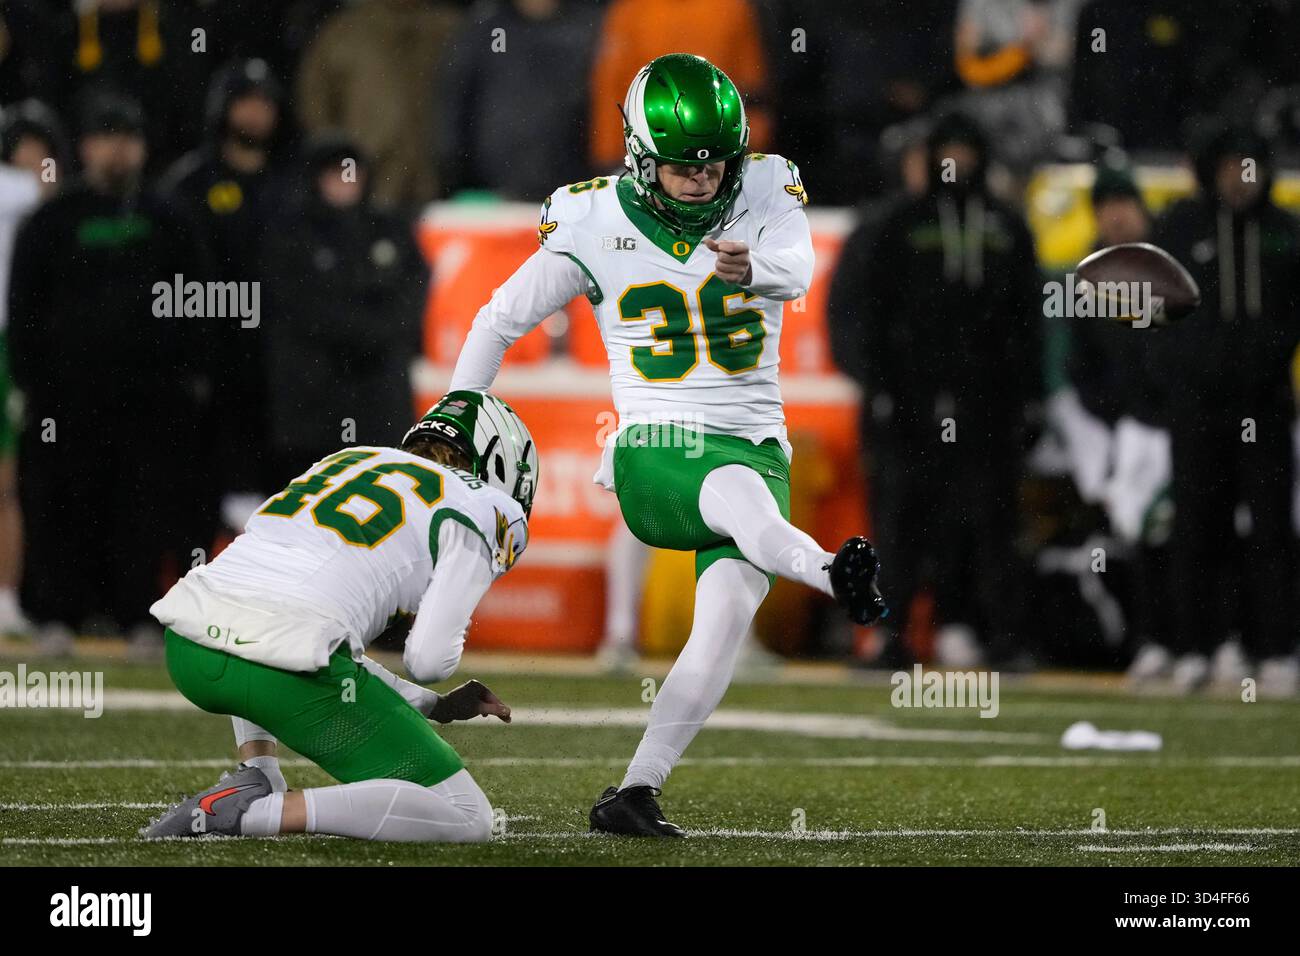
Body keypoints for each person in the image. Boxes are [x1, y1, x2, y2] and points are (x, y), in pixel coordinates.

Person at [449, 53, 884, 837]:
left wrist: (754, 266)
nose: (705, 180)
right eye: (685, 168)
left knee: (719, 628)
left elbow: (797, 269)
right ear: (640, 158)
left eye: (717, 163)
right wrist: (454, 414)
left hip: (755, 444)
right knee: (739, 504)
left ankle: (635, 791)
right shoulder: (592, 217)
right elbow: (499, 319)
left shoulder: (764, 184)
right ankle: (829, 572)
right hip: (654, 444)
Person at [142, 391, 536, 843]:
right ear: (503, 467)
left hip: (189, 646)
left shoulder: (352, 458)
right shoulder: (486, 507)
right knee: (467, 815)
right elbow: (428, 660)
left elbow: (302, 618)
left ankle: (257, 770)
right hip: (276, 667)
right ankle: (253, 814)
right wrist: (433, 682)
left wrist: (433, 704)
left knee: (275, 599)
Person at [828, 110, 1042, 670]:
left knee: (991, 523)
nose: (958, 163)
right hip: (907, 402)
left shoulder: (1006, 227)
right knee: (899, 523)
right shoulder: (894, 225)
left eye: (967, 151)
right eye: (948, 150)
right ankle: (890, 636)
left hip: (988, 402)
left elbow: (1027, 321)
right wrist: (877, 385)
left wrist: (1031, 395)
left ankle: (997, 636)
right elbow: (861, 315)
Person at [7, 91, 211, 649]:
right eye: (106, 139)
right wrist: (33, 384)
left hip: (149, 399)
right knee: (60, 507)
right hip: (66, 400)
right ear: (85, 146)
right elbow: (25, 309)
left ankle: (138, 616)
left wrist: (189, 378)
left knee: (142, 511)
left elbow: (199, 303)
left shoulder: (168, 220)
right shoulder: (51, 222)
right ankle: (56, 615)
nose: (117, 152)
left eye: (128, 139)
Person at [1148, 124, 1300, 697]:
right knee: (1197, 527)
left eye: (1252, 168)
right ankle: (1196, 645)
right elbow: (1151, 317)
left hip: (1264, 404)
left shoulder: (1284, 234)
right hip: (1197, 406)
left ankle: (1276, 647)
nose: (1242, 181)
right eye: (1232, 167)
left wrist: (1265, 360)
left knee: (1269, 529)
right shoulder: (1181, 229)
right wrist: (1178, 379)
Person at [260, 132, 428, 488]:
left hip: (380, 404)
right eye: (335, 172)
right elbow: (303, 307)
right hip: (315, 408)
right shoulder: (291, 234)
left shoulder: (390, 229)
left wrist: (378, 328)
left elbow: (414, 293)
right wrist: (367, 325)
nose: (345, 181)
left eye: (351, 172)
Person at [0, 100, 66, 637]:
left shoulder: (45, 200)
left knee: (7, 482)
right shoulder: (22, 192)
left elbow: (50, 188)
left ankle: (5, 595)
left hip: (9, 343)